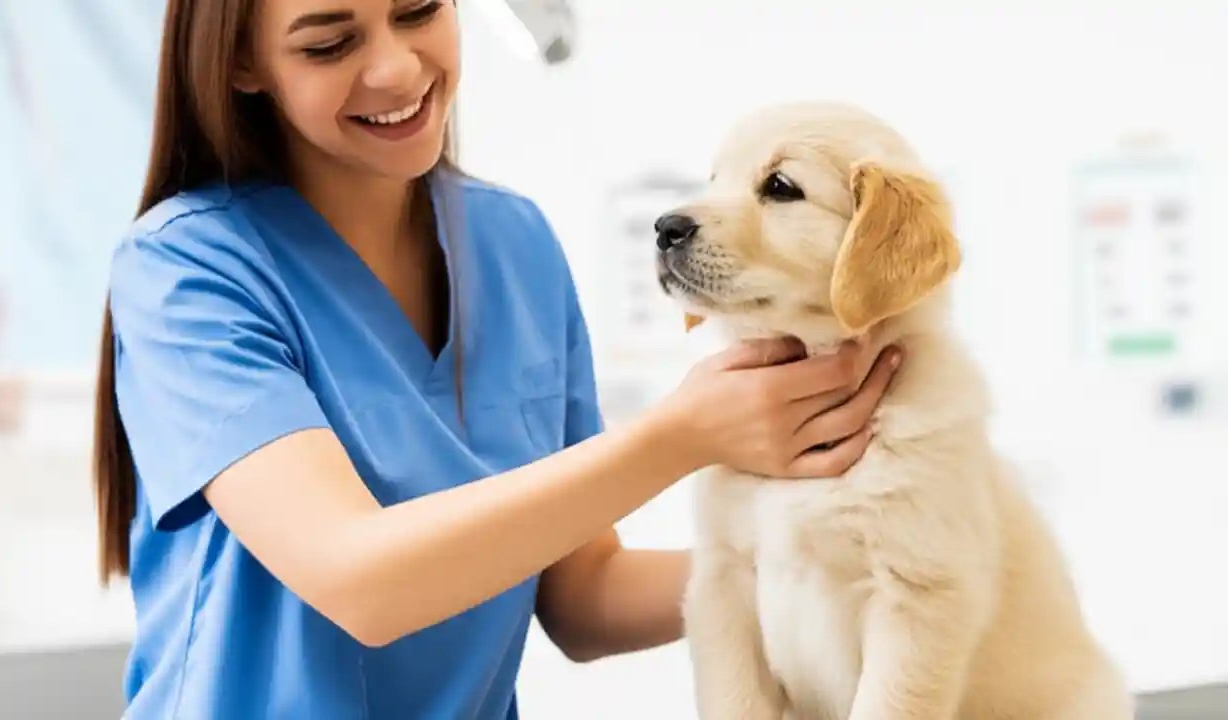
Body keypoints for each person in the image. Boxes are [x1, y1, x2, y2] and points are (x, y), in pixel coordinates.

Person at [92, 0, 903, 717]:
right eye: (330, 44)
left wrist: (821, 564)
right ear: (241, 62)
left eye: (418, 12)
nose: (397, 67)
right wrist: (684, 439)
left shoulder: (513, 244)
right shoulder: (190, 270)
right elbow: (361, 583)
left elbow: (583, 599)